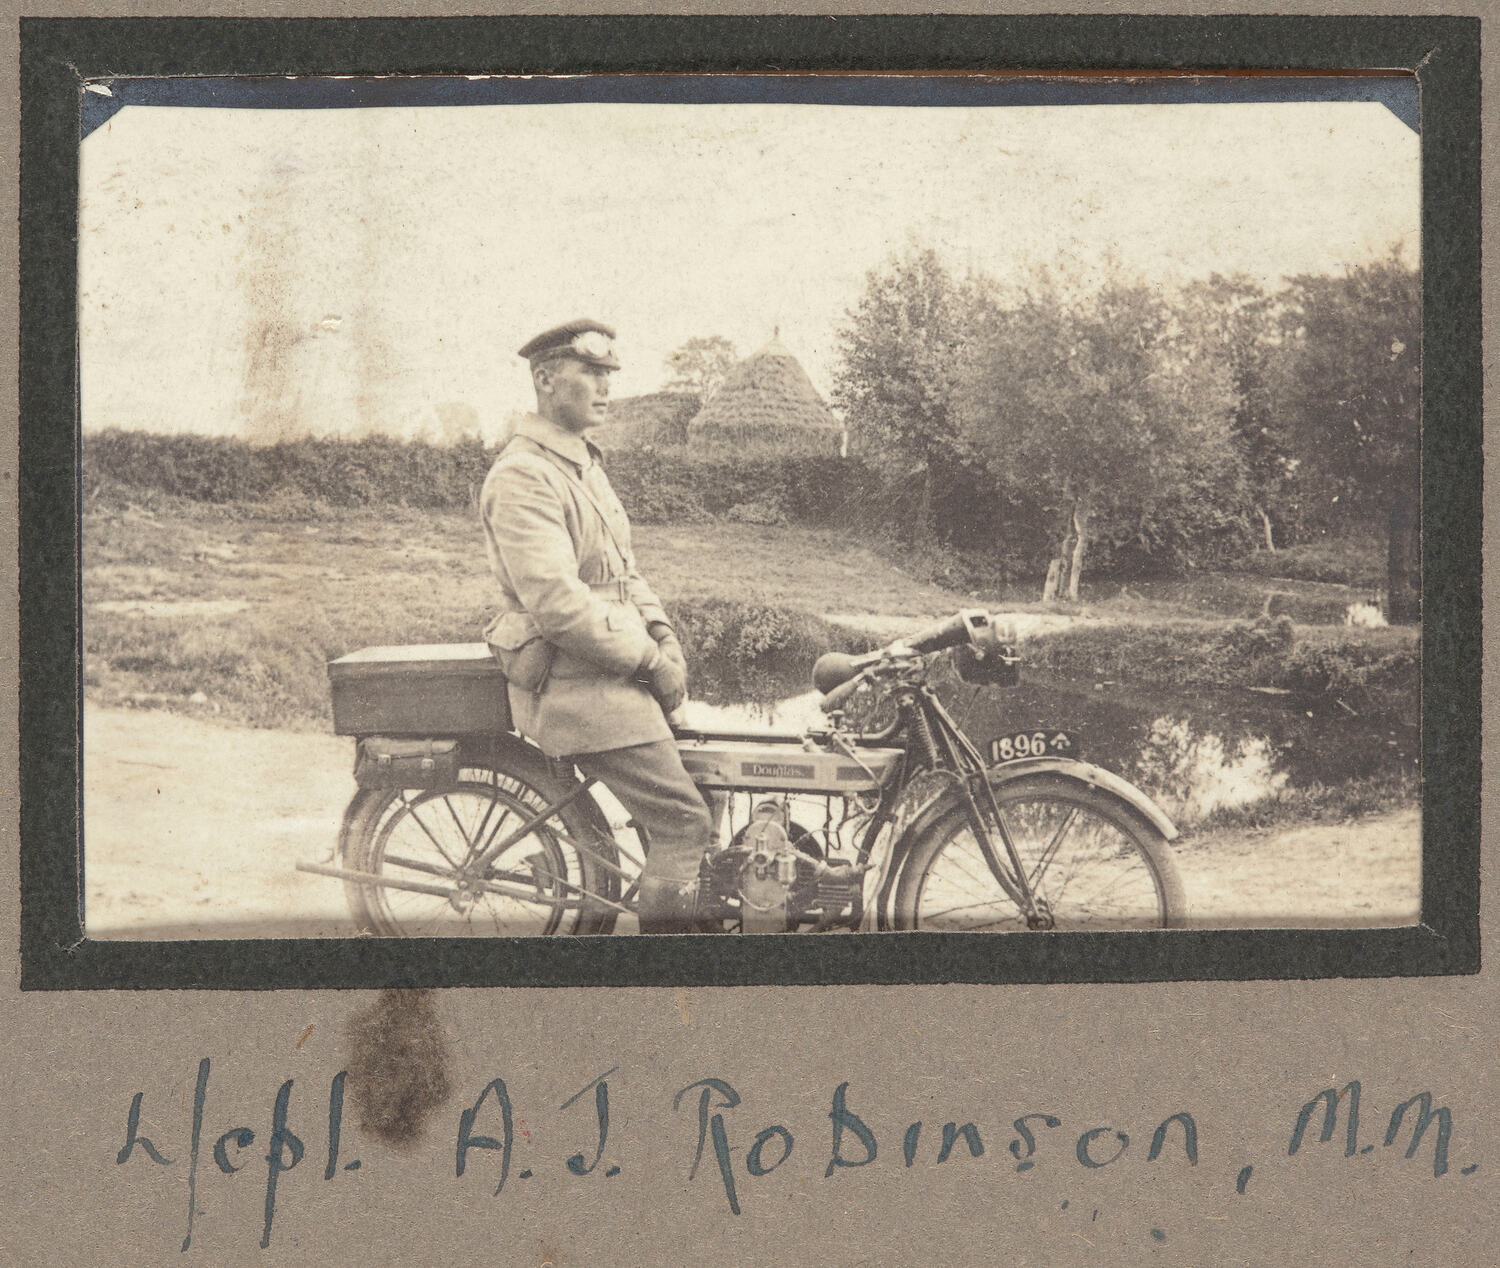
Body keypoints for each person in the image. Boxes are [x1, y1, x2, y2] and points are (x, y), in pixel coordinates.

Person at [479, 318, 715, 934]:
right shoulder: (523, 474)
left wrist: (664, 634)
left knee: (713, 781)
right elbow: (558, 604)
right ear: (545, 379)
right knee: (684, 822)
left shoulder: (582, 465)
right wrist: (648, 661)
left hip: (610, 670)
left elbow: (624, 572)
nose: (606, 387)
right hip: (575, 682)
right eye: (590, 373)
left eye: (609, 374)